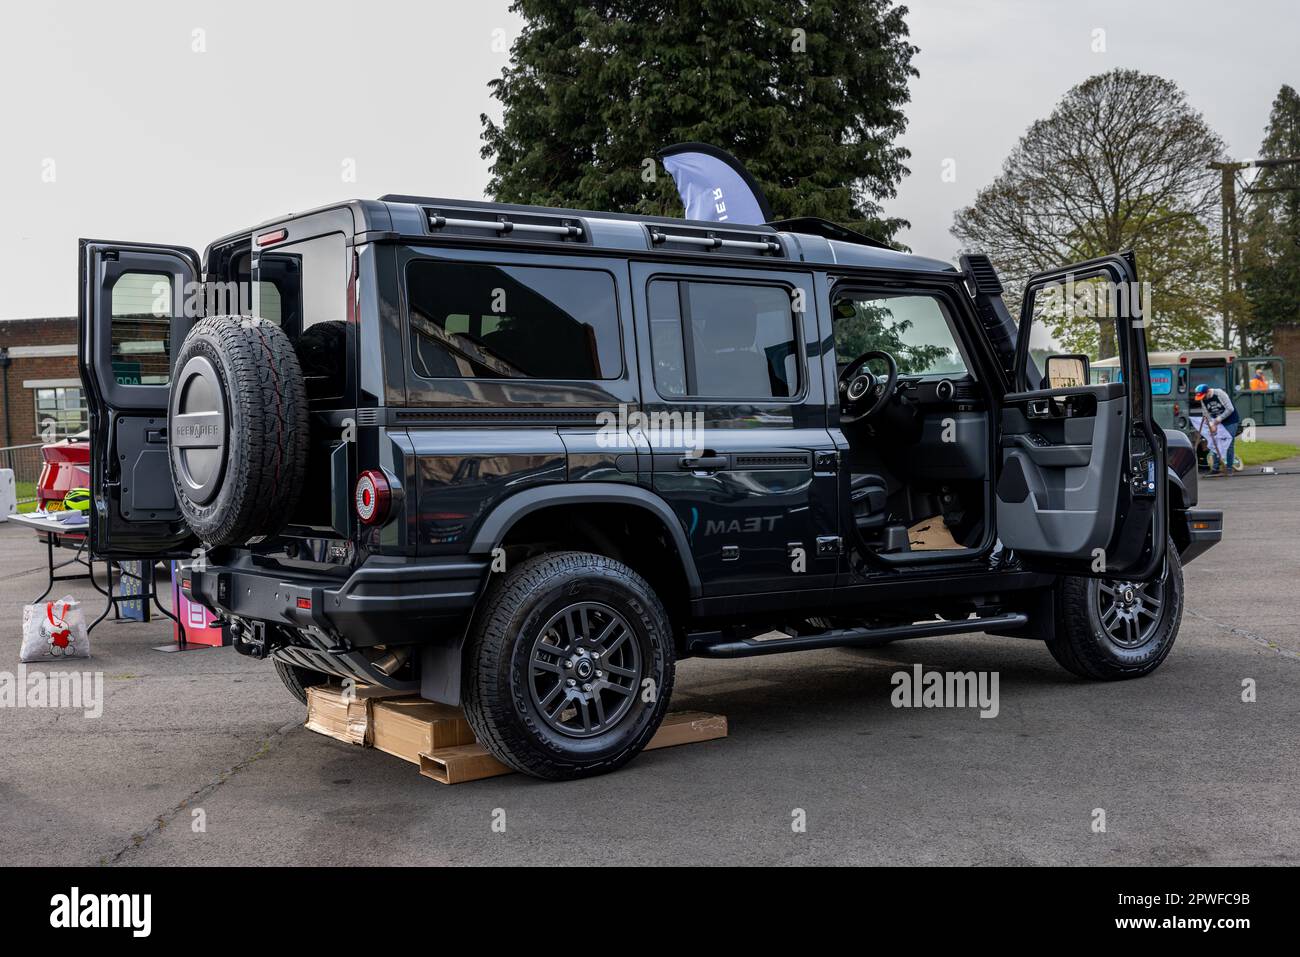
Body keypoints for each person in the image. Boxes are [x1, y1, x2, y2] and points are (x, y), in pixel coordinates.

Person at [1193, 383, 1239, 475]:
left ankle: (1229, 468)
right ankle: (1215, 468)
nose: (1202, 398)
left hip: (1230, 420)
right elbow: (1205, 413)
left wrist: (1217, 420)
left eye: (1203, 396)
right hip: (1216, 421)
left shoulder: (1219, 394)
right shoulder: (1203, 399)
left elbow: (1230, 409)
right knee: (1215, 442)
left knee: (1229, 443)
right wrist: (1211, 424)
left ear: (1208, 391)